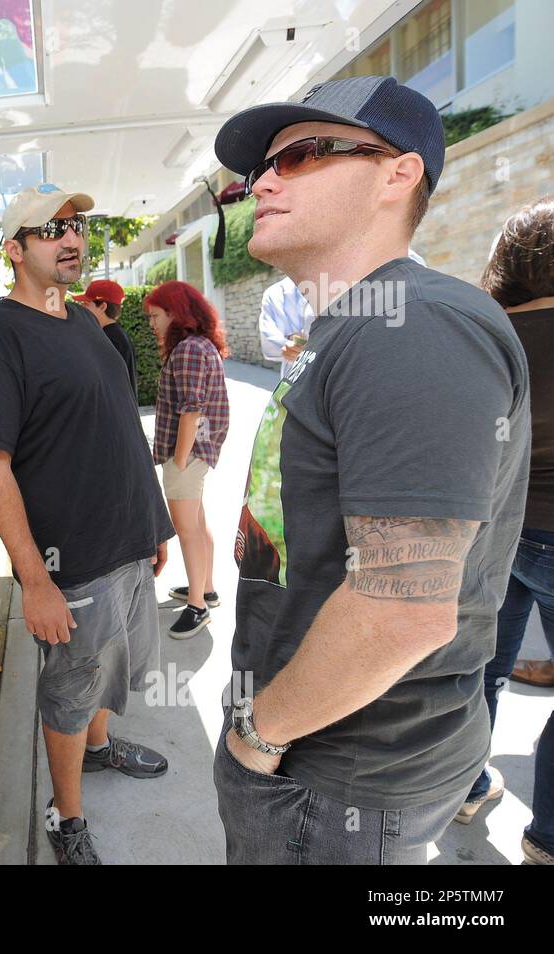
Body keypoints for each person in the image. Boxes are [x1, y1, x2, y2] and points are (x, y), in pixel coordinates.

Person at [210, 74, 530, 864]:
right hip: (322, 751)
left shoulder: (413, 326)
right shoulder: (353, 323)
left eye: (305, 154)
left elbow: (403, 609)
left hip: (339, 775)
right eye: (261, 170)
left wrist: (258, 734)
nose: (265, 182)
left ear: (399, 173)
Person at [0, 183, 174, 865]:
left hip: (129, 542)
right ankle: (66, 815)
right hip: (70, 561)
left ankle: (101, 749)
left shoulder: (85, 321)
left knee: (113, 669)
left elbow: (116, 426)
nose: (72, 237)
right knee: (71, 687)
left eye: (76, 225)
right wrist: (35, 581)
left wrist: (154, 528)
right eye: (51, 228)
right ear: (15, 249)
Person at [454, 196, 552, 864]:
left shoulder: (480, 331)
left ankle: (467, 785)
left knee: (484, 668)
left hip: (497, 528)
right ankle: (547, 835)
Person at [146, 280, 230, 638]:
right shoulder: (198, 346)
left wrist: (179, 459)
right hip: (197, 453)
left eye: (155, 316)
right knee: (196, 523)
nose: (151, 323)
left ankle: (197, 606)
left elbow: (190, 410)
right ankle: (205, 589)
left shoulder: (188, 350)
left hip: (188, 454)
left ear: (174, 313)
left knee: (187, 531)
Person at [260, 250, 428, 377]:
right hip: (303, 384)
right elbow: (271, 342)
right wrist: (289, 344)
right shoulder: (277, 294)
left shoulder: (389, 261)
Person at [73, 279, 137, 396]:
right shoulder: (117, 335)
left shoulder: (108, 339)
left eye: (86, 304)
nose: (82, 308)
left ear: (102, 306)